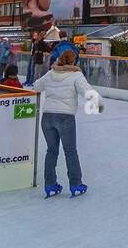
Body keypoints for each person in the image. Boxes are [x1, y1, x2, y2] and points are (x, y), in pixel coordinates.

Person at [31, 49, 100, 197]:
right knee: (70, 151)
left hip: (48, 116)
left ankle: (50, 184)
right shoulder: (76, 75)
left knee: (51, 151)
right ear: (74, 61)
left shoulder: (51, 73)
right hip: (65, 117)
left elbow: (36, 86)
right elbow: (87, 91)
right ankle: (76, 184)